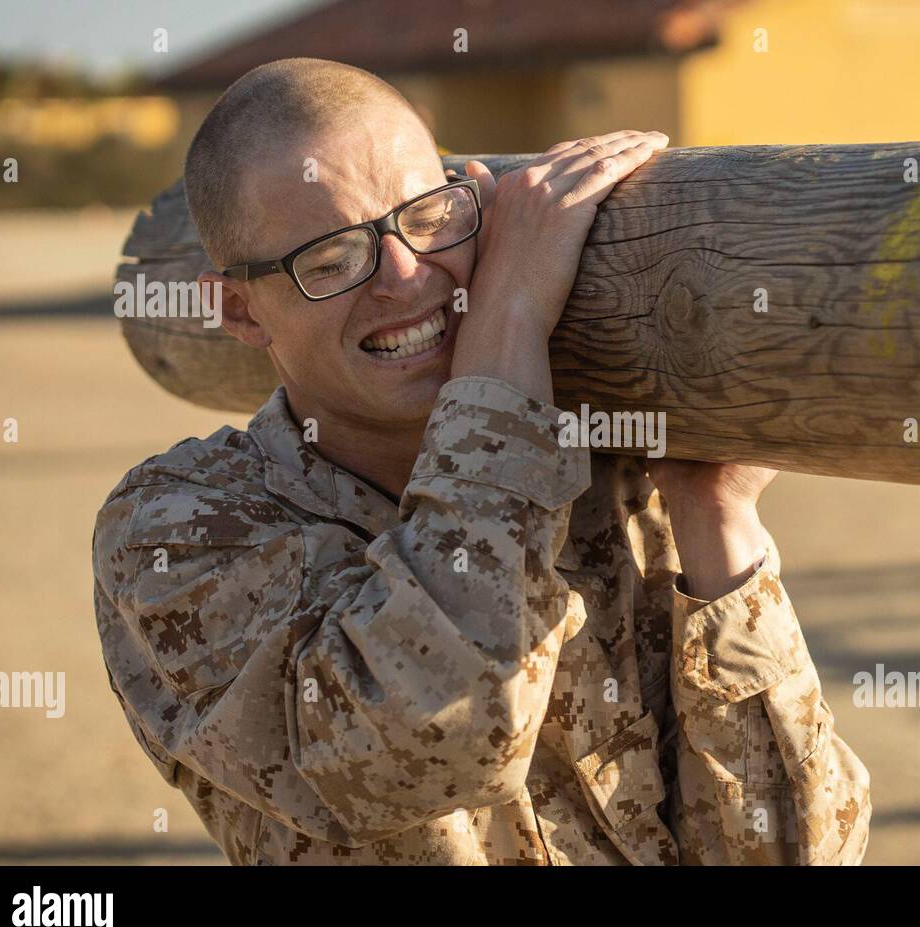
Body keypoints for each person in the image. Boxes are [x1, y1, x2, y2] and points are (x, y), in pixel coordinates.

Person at [91, 57, 870, 865]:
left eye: (427, 218)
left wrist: (717, 524)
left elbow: (797, 852)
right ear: (241, 310)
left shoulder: (619, 479)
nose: (404, 277)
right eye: (329, 261)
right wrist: (510, 310)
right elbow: (448, 739)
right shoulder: (178, 532)